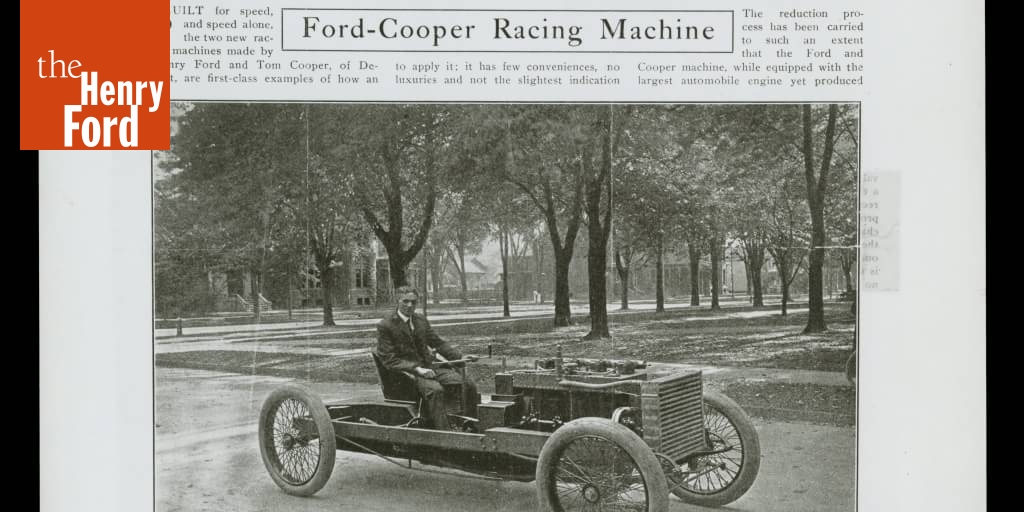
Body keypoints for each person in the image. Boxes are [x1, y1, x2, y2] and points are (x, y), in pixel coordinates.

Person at [376, 285, 479, 430]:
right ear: (397, 300)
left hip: (430, 368)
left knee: (467, 384)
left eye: (413, 302)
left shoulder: (420, 320)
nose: (410, 305)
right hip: (407, 375)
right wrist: (417, 370)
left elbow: (438, 343)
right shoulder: (385, 325)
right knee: (435, 390)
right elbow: (389, 360)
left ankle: (471, 425)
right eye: (405, 301)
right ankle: (445, 434)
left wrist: (461, 357)